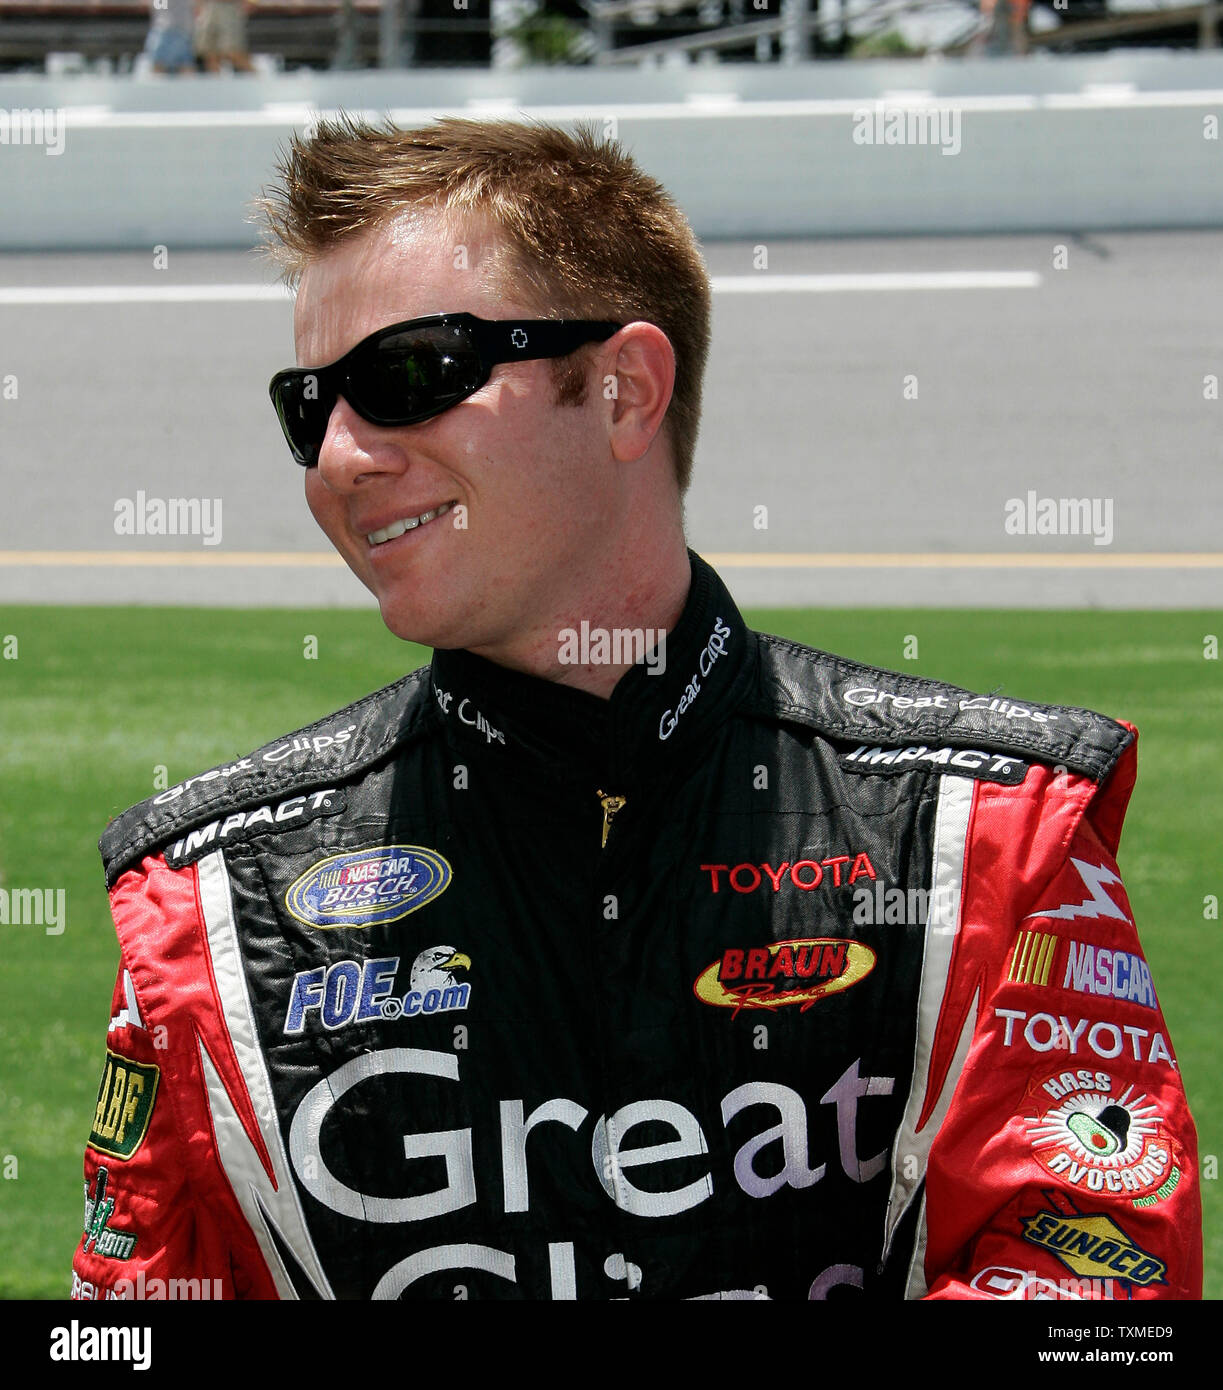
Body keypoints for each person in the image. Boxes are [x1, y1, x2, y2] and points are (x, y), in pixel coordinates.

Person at [71, 116, 1200, 1302]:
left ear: (624, 392)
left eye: (407, 376)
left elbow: (1098, 1286)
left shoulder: (998, 838)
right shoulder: (202, 907)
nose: (341, 457)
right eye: (310, 406)